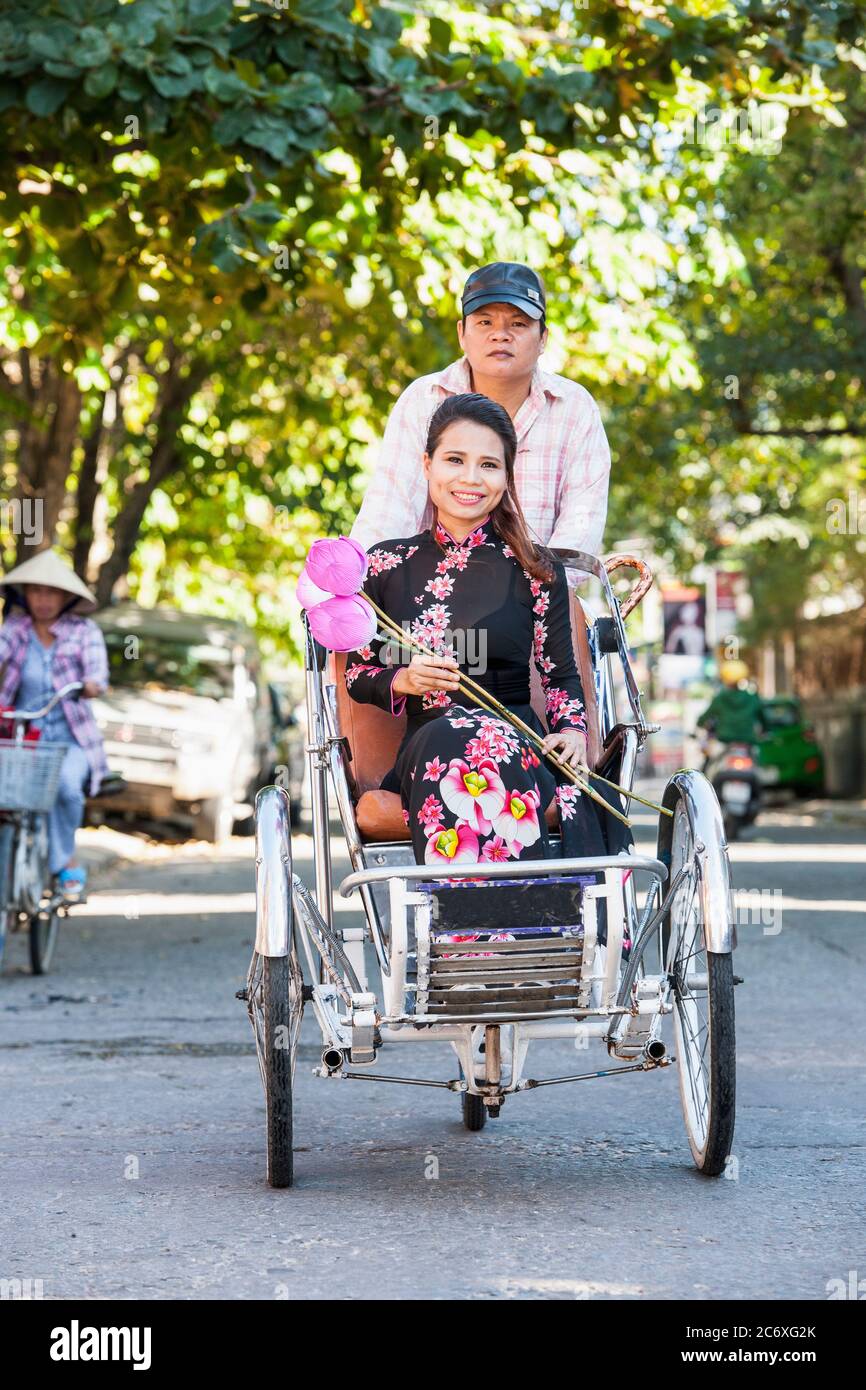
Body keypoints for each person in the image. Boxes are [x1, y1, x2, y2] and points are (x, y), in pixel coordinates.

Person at [344, 392, 630, 871]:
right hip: (425, 744)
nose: (471, 479)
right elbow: (358, 673)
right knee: (451, 736)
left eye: (489, 465)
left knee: (485, 737)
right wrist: (404, 680)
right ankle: (493, 924)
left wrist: (574, 733)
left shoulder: (536, 569)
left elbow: (561, 675)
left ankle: (472, 928)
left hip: (519, 742)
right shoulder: (385, 565)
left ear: (507, 475)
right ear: (427, 464)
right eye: (455, 460)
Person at [351, 262, 611, 565]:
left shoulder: (575, 407)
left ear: (543, 338)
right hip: (430, 594)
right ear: (462, 334)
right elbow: (388, 508)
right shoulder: (424, 399)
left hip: (541, 592)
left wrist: (546, 593)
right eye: (485, 322)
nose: (500, 335)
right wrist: (361, 584)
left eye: (518, 324)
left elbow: (581, 525)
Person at [0, 549, 109, 898]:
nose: (42, 600)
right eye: (35, 591)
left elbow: (98, 675)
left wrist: (91, 684)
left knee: (64, 788)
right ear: (25, 595)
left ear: (65, 597)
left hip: (69, 741)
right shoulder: (15, 629)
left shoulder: (83, 631)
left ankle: (64, 863)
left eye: (50, 592)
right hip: (20, 737)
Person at [696, 660, 765, 746]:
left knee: (714, 758)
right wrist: (767, 730)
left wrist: (700, 724)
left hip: (725, 742)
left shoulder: (720, 698)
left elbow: (705, 718)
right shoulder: (751, 698)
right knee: (756, 758)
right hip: (748, 742)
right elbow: (763, 718)